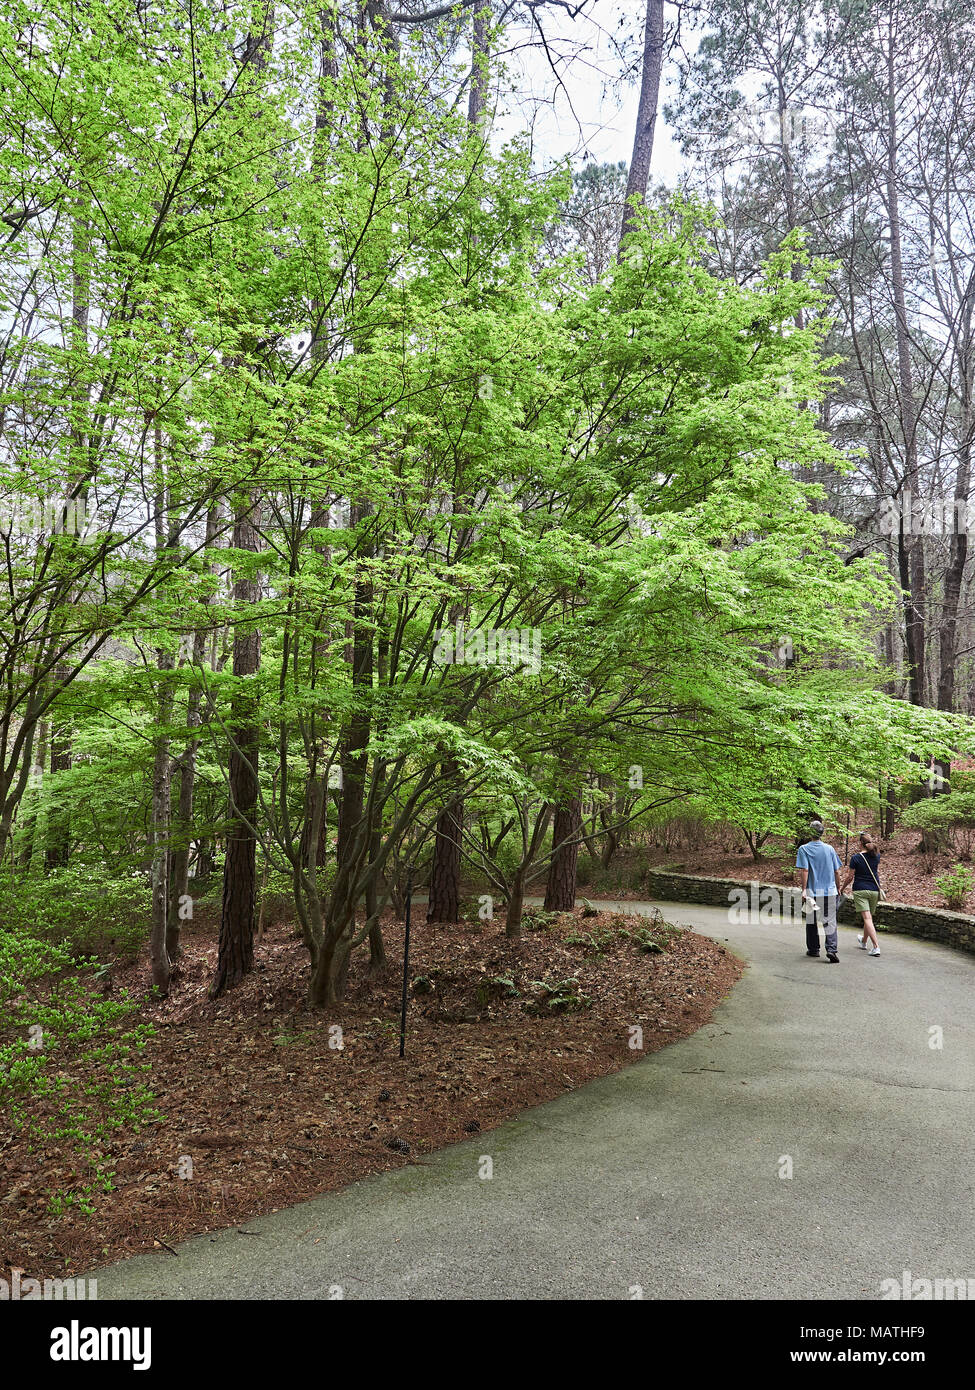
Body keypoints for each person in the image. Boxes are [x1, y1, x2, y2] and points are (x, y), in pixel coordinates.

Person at [796, 820, 842, 962]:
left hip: (812, 892)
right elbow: (836, 871)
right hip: (829, 891)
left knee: (811, 920)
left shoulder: (804, 849)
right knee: (829, 920)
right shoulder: (829, 849)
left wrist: (804, 890)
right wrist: (838, 887)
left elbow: (805, 870)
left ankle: (814, 949)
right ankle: (832, 950)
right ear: (822, 833)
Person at [840, 831, 883, 957]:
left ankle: (876, 947)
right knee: (868, 918)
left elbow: (850, 877)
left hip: (860, 890)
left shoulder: (856, 858)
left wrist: (842, 888)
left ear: (861, 843)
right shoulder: (876, 856)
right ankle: (863, 941)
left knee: (867, 918)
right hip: (874, 890)